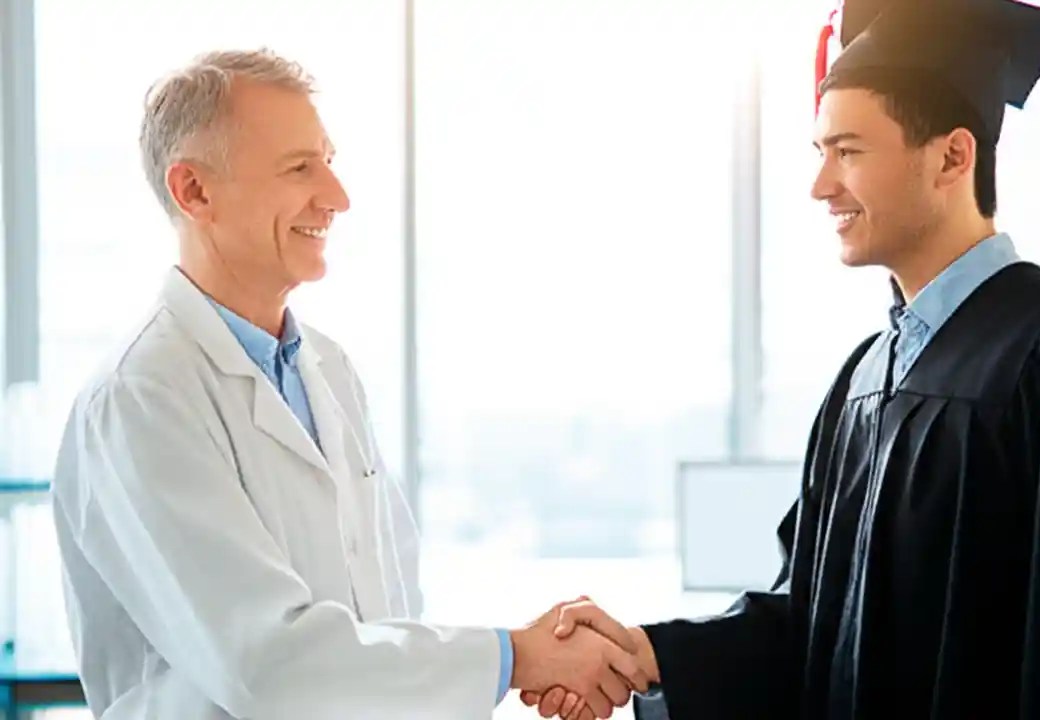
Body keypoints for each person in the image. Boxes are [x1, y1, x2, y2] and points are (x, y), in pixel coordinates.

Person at [525, 0, 1040, 717]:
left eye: (848, 151)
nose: (820, 185)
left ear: (952, 157)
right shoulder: (863, 378)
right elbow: (809, 623)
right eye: (821, 152)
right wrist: (648, 654)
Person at [52, 49, 645, 720]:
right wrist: (517, 658)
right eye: (299, 168)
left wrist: (522, 663)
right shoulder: (140, 397)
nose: (337, 197)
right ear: (195, 192)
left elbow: (389, 616)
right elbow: (268, 666)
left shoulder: (326, 369)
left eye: (328, 162)